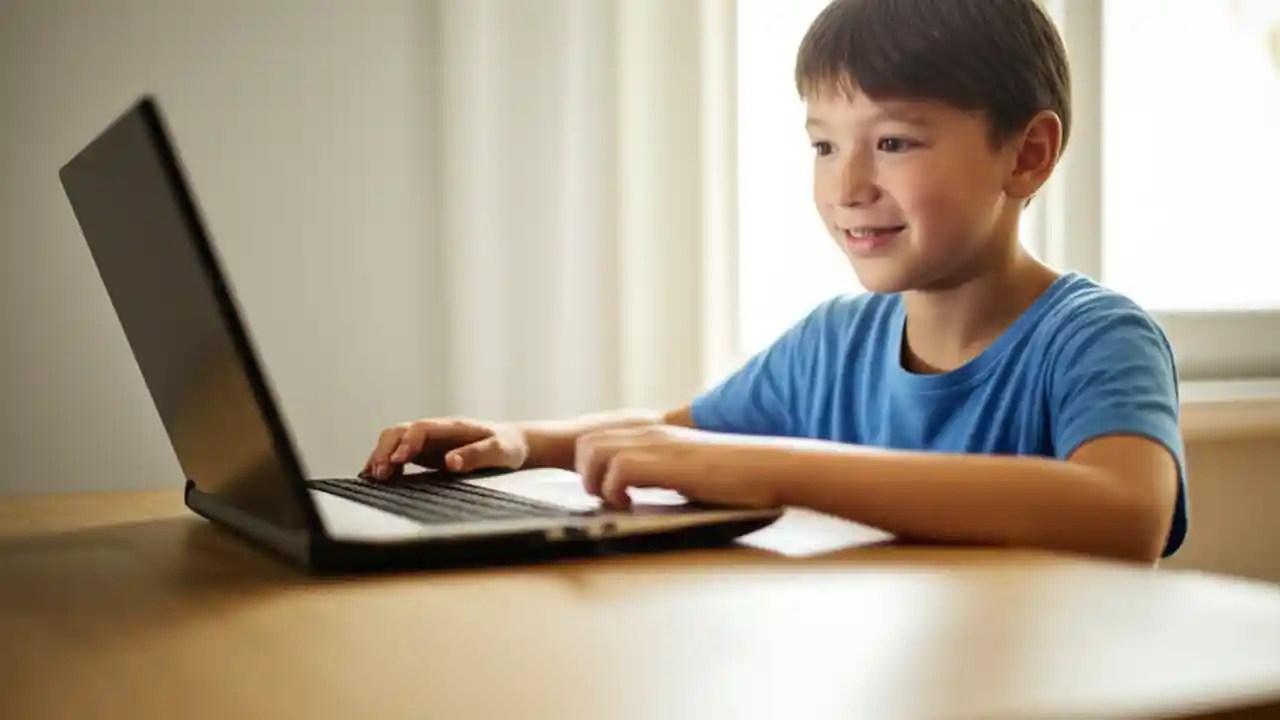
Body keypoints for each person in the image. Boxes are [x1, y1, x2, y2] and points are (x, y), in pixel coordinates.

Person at [360, 0, 1186, 563]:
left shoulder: (1093, 336)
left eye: (894, 143)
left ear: (1028, 154)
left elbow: (1126, 515)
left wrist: (775, 466)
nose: (846, 185)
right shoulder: (835, 342)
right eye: (824, 146)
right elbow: (676, 430)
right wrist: (520, 441)